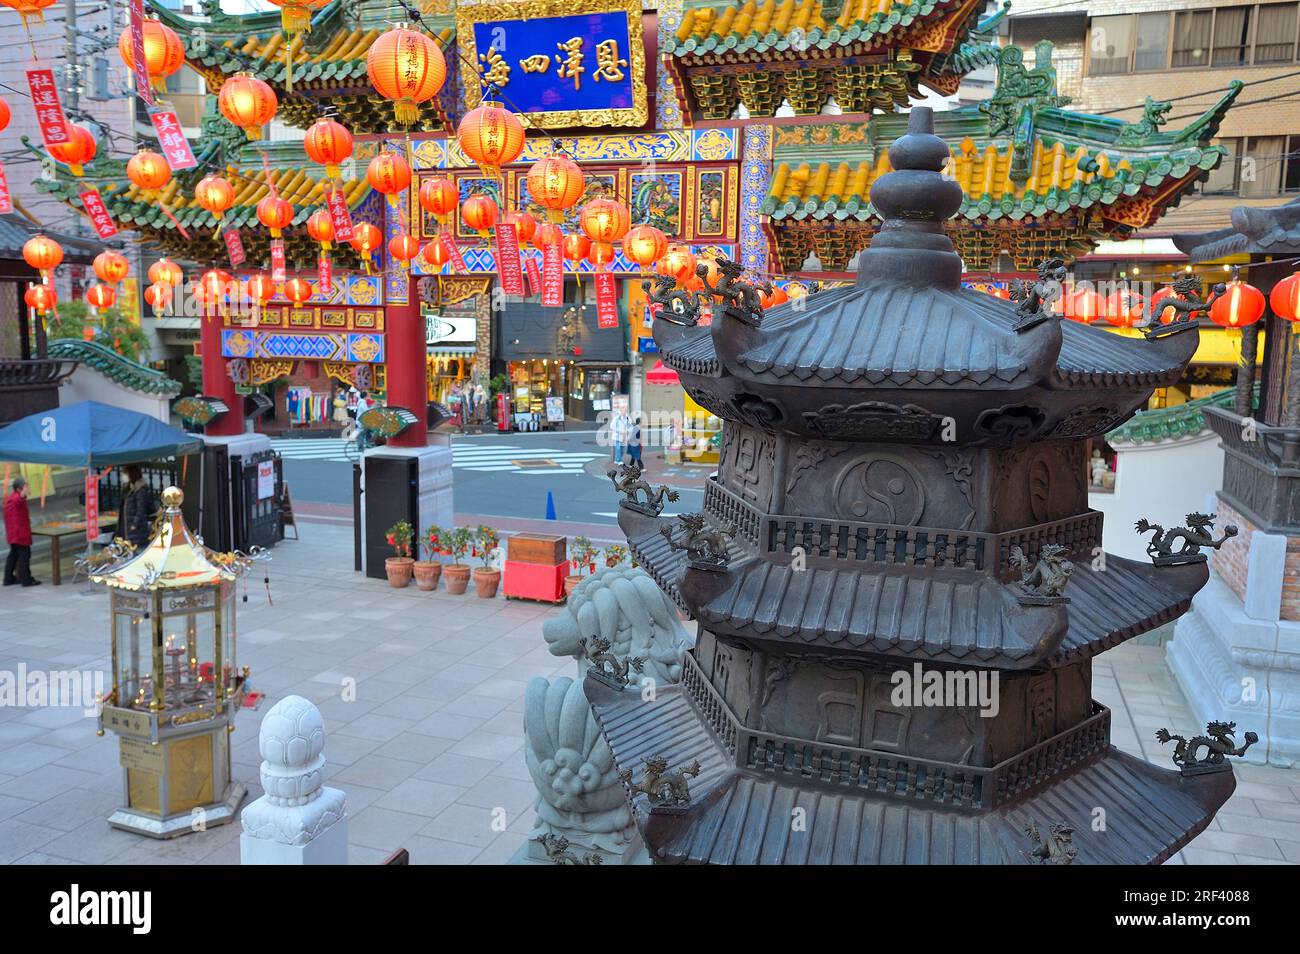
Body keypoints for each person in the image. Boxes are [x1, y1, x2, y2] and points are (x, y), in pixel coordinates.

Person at [3, 477, 38, 587]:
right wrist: (23, 493)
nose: (28, 488)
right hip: (20, 534)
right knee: (24, 556)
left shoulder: (11, 498)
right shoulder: (17, 498)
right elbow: (20, 500)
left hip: (13, 533)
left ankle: (8, 579)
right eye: (26, 486)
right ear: (19, 489)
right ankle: (26, 580)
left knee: (13, 555)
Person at [117, 466, 159, 550]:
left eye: (125, 473)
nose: (123, 476)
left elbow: (141, 509)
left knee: (136, 548)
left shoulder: (140, 489)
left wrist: (134, 524)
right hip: (127, 526)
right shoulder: (128, 488)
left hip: (135, 528)